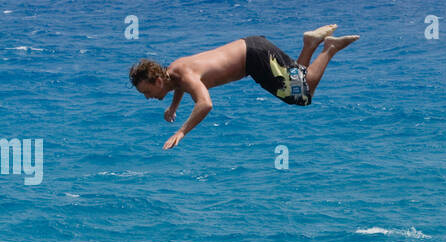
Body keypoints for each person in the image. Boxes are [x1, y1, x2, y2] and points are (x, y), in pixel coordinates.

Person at [129, 25, 359, 150]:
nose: (148, 98)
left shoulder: (185, 75)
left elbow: (205, 104)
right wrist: (173, 106)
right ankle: (310, 43)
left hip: (256, 58)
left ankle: (329, 48)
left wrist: (181, 131)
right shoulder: (174, 70)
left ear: (157, 81)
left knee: (302, 94)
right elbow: (178, 86)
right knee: (296, 84)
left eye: (147, 92)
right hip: (252, 50)